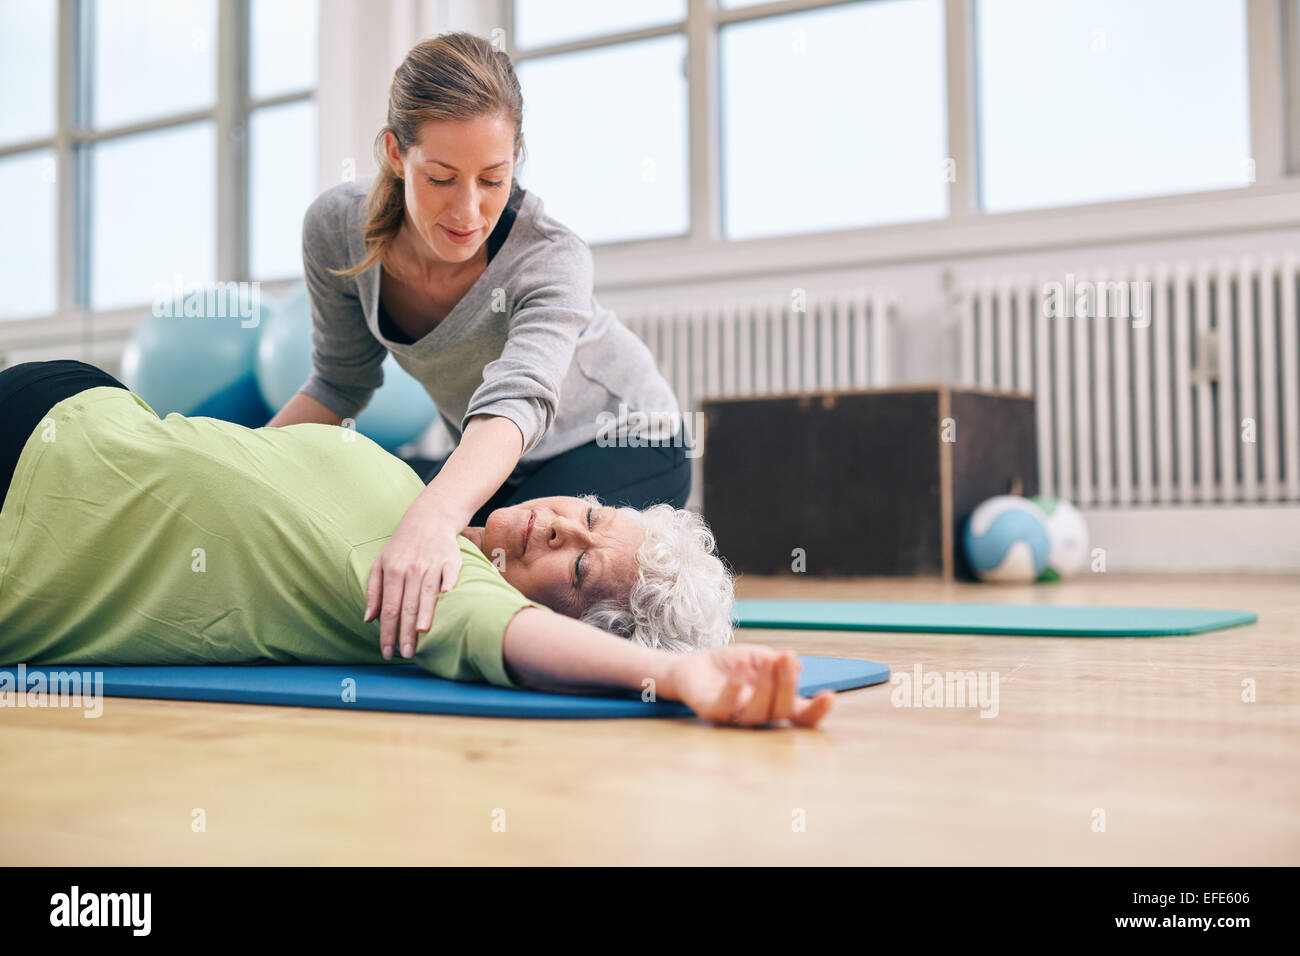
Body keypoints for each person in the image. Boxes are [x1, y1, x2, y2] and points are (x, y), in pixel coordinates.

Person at [0, 361, 835, 729]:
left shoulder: (444, 593)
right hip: (81, 406)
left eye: (579, 566)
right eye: (588, 511)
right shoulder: (433, 505)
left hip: (26, 513)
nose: (558, 523)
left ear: (582, 628)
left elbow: (515, 643)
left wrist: (678, 675)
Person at [266, 31, 689, 658]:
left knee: (458, 564)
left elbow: (518, 401)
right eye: (441, 178)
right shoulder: (336, 228)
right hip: (495, 456)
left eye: (493, 178)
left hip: (621, 443)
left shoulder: (551, 257)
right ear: (393, 153)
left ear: (517, 156)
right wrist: (230, 456)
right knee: (376, 537)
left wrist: (436, 518)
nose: (468, 210)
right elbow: (338, 384)